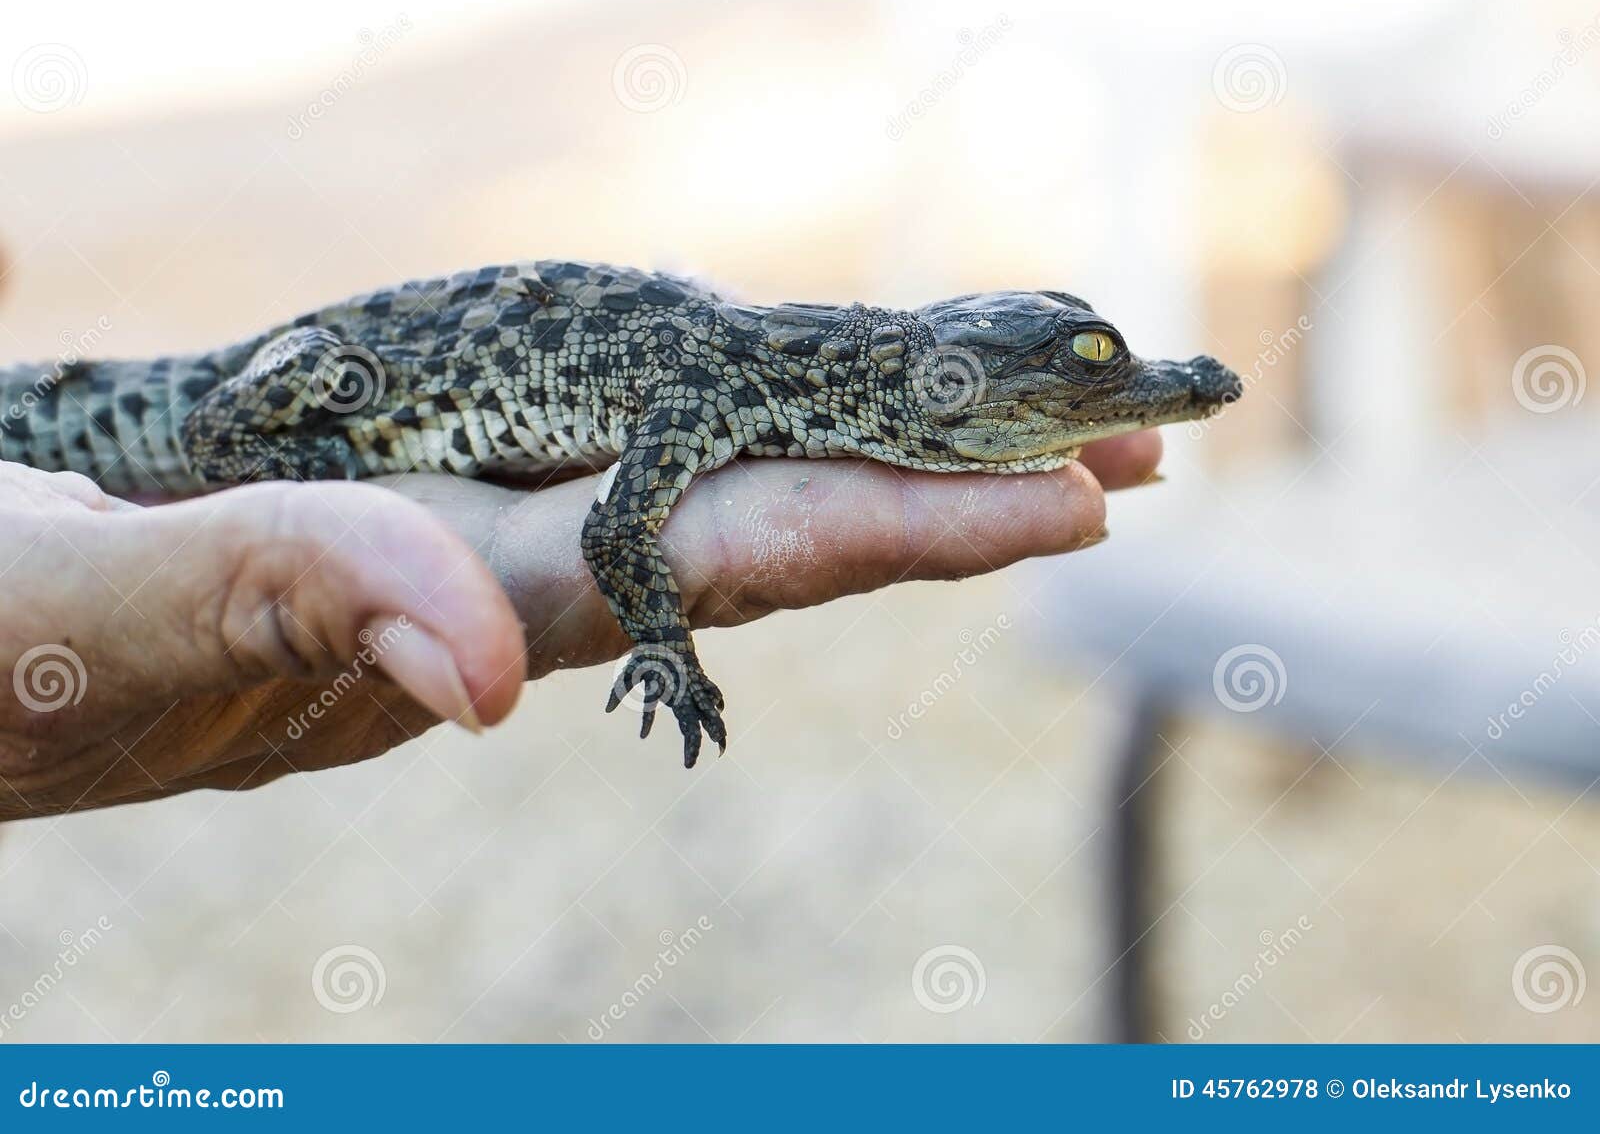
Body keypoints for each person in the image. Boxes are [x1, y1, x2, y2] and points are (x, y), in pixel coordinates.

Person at [0, 432, 1159, 820]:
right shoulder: (721, 378)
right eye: (1076, 365)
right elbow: (615, 533)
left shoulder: (744, 378)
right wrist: (662, 638)